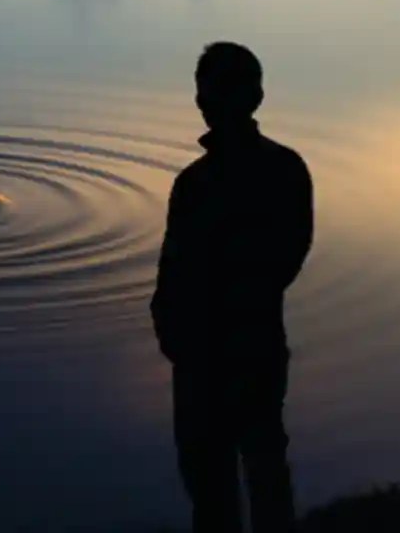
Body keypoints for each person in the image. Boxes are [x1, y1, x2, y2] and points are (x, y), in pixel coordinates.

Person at [151, 42, 314, 533]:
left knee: (218, 486)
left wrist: (178, 330)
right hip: (246, 347)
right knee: (257, 475)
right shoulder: (285, 168)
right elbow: (288, 257)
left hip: (213, 353)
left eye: (211, 91)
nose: (206, 102)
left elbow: (174, 269)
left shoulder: (197, 183)